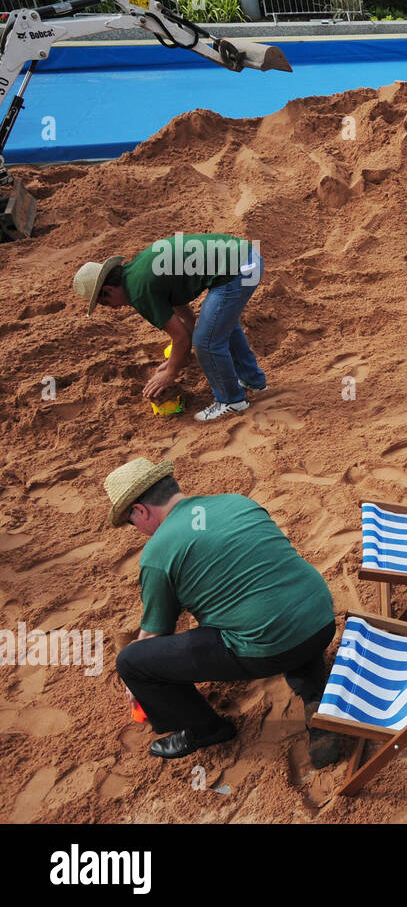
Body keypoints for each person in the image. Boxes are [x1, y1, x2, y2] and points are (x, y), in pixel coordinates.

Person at [107, 458, 342, 766]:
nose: (134, 528)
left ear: (141, 510)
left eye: (129, 520)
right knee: (276, 611)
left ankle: (206, 730)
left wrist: (134, 679)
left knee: (132, 662)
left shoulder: (157, 551)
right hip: (320, 617)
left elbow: (155, 632)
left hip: (272, 646)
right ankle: (314, 698)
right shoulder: (236, 502)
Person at [74, 233, 266, 423]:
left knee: (206, 342)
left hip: (238, 269)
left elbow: (181, 338)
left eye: (105, 303)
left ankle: (232, 401)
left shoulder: (139, 292)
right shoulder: (136, 272)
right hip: (247, 256)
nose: (113, 308)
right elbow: (186, 318)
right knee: (220, 328)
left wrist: (170, 373)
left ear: (108, 290)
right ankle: (252, 381)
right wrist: (176, 360)